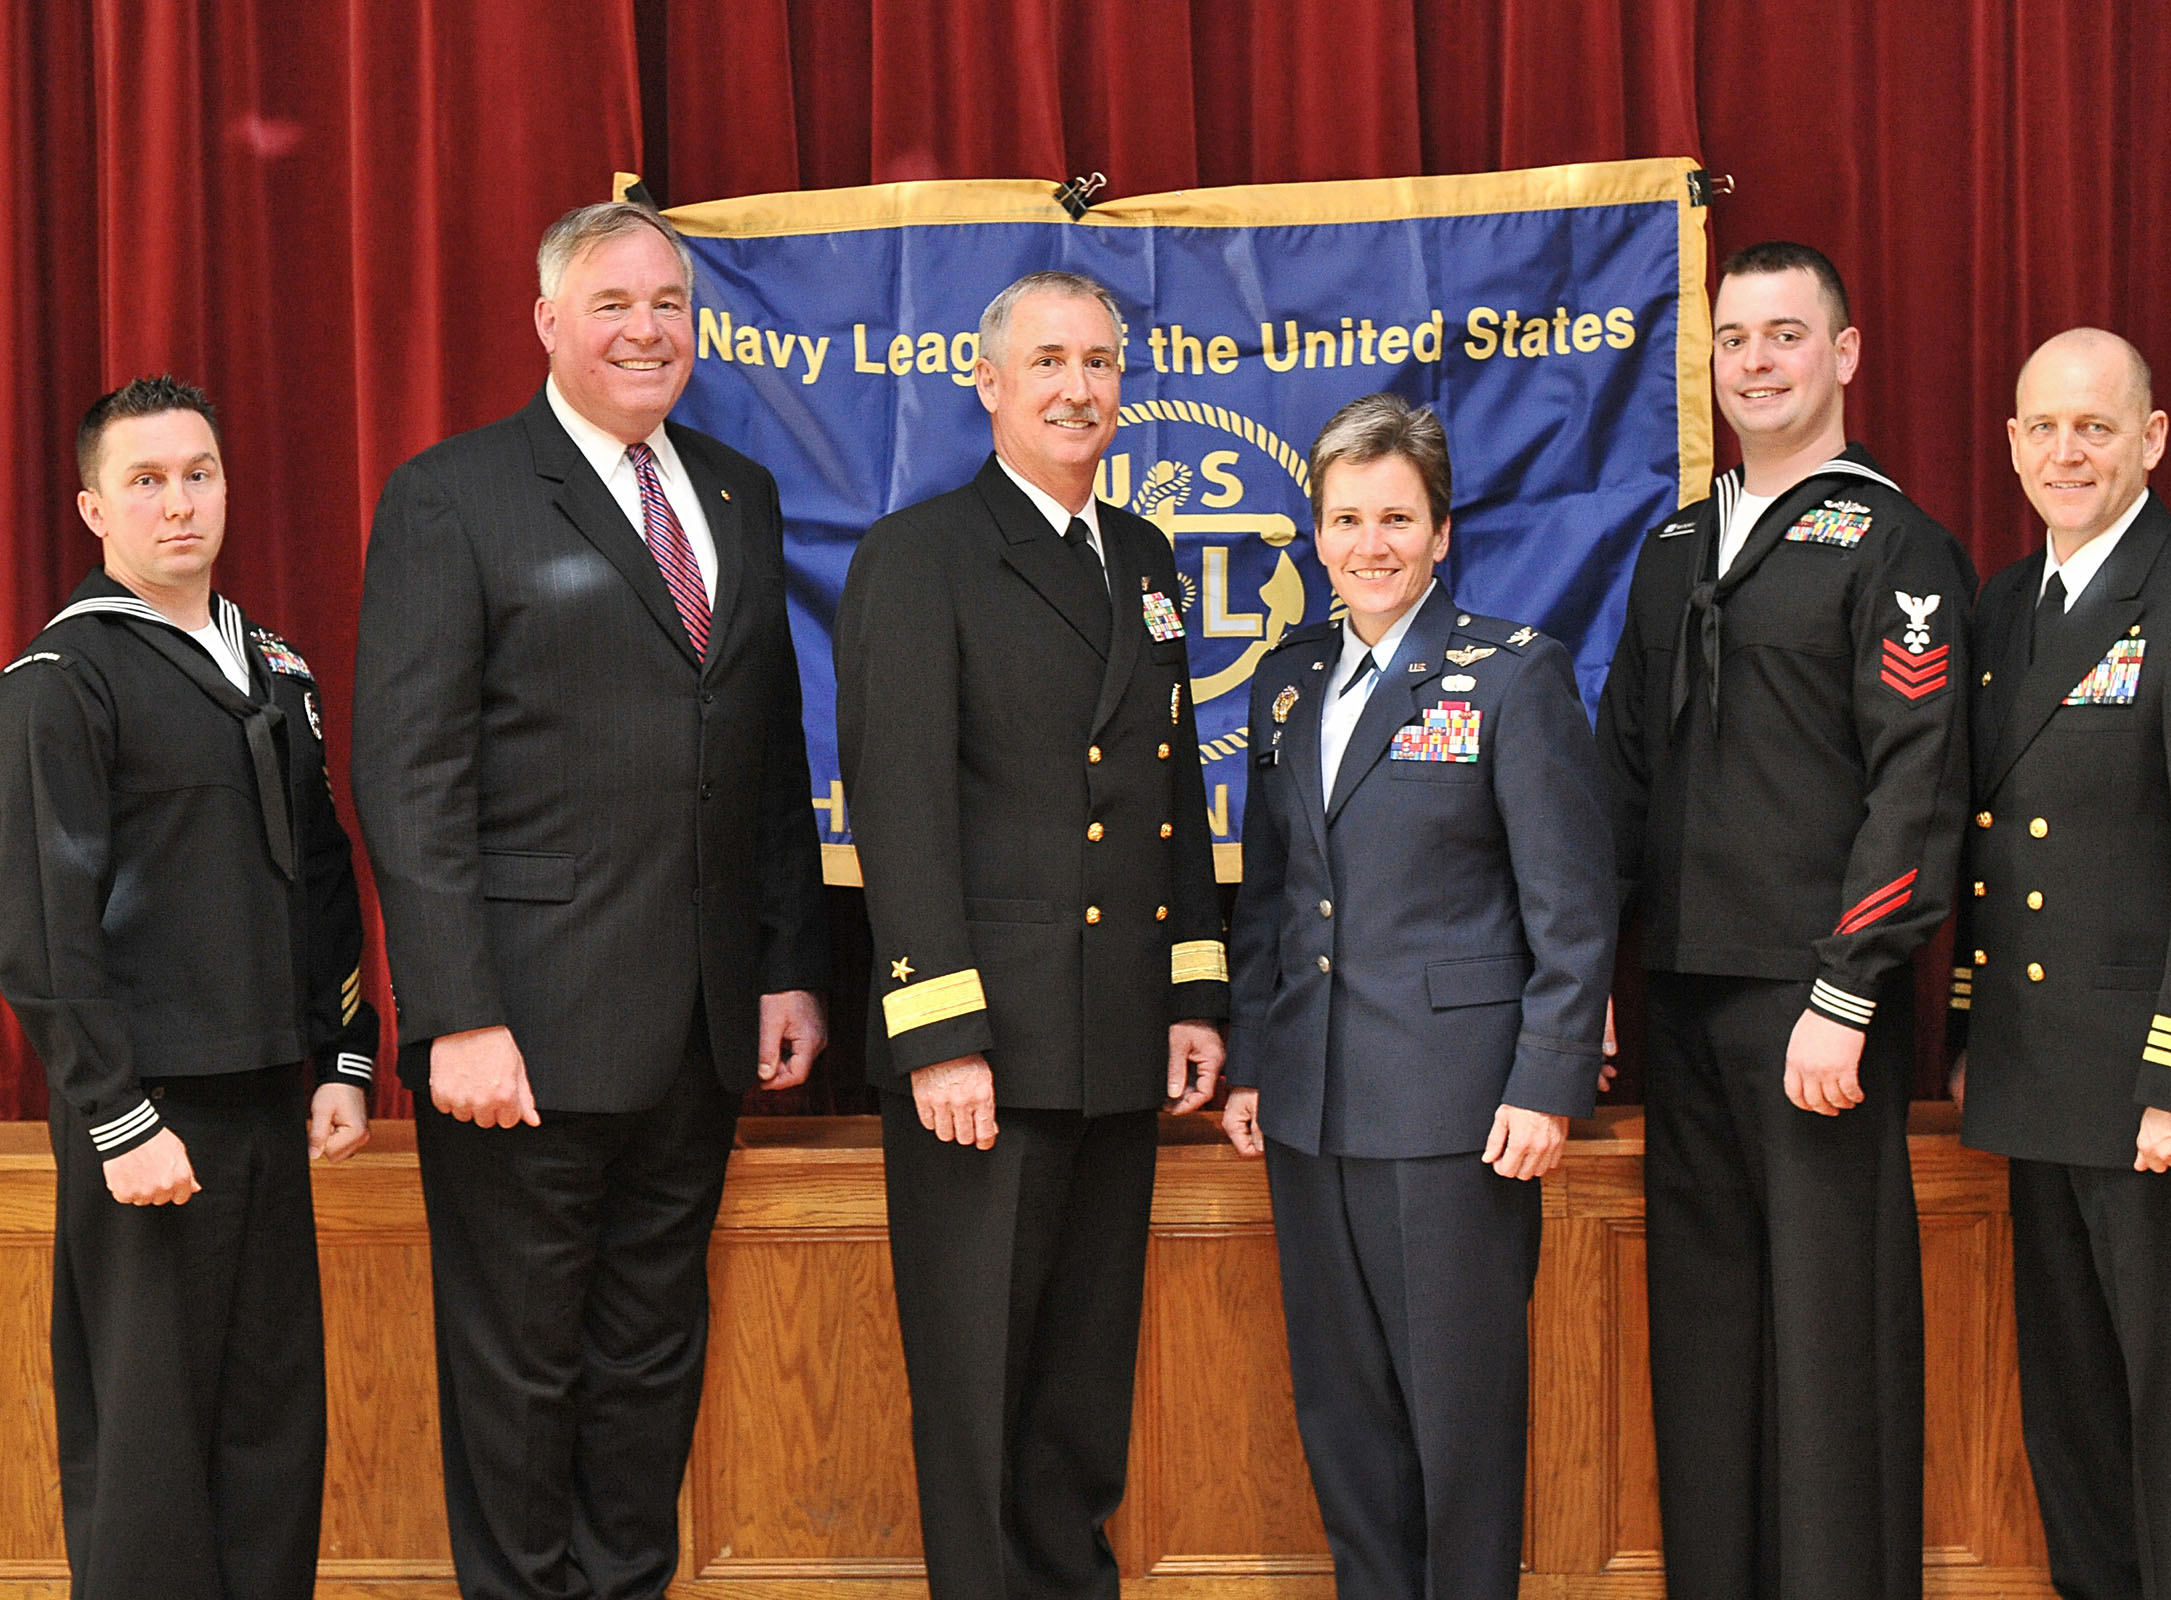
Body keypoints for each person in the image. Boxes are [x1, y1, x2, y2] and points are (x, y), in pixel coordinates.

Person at [352, 201, 830, 1600]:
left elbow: (762, 748)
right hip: (524, 1036)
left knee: (648, 1356)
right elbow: (411, 773)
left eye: (669, 304)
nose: (647, 329)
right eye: (614, 303)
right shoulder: (454, 496)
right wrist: (454, 1013)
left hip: (697, 1027)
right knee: (519, 1369)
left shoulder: (737, 491)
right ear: (550, 322)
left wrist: (789, 963)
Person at [832, 269, 1227, 1600]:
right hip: (982, 1054)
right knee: (981, 1400)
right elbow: (900, 806)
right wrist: (939, 1032)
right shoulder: (919, 557)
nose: (1079, 387)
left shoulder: (1149, 558)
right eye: (1049, 361)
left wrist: (1192, 996)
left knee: (1075, 1395)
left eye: (1102, 362)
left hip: (1114, 1036)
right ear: (988, 382)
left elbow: (1171, 791)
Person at [1593, 241, 1976, 1598]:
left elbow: (1917, 786)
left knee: (1828, 1349)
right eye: (1735, 337)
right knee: (1705, 1341)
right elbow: (1623, 772)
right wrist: (1593, 976)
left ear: (1844, 355)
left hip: (1816, 1015)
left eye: (1786, 335)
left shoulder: (1894, 542)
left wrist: (1851, 988)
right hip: (1685, 997)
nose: (1757, 361)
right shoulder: (1677, 546)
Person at [0, 375, 376, 1600]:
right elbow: (46, 926)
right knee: (149, 1445)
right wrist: (116, 1113)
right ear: (93, 508)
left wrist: (344, 1056)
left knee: (270, 1429)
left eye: (198, 473)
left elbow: (320, 873)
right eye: (144, 482)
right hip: (147, 1115)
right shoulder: (62, 679)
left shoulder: (278, 667)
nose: (178, 503)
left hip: (267, 1100)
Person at [1219, 393, 1617, 1600]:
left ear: (1442, 532)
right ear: (1317, 533)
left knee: (1459, 1427)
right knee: (1345, 1419)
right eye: (1346, 519)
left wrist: (1548, 1084)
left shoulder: (1513, 674)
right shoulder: (1287, 688)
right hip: (1312, 1106)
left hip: (1458, 1114)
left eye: (1396, 517)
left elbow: (1571, 904)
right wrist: (1252, 1059)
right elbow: (1273, 897)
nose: (1369, 543)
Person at [1949, 328, 2171, 1600]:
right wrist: (1969, 1026)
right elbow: (1995, 844)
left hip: (2156, 1092)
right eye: (2042, 427)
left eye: (2095, 426)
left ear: (2151, 439)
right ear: (2010, 445)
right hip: (2041, 1079)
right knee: (2078, 1421)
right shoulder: (2002, 608)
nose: (2066, 451)